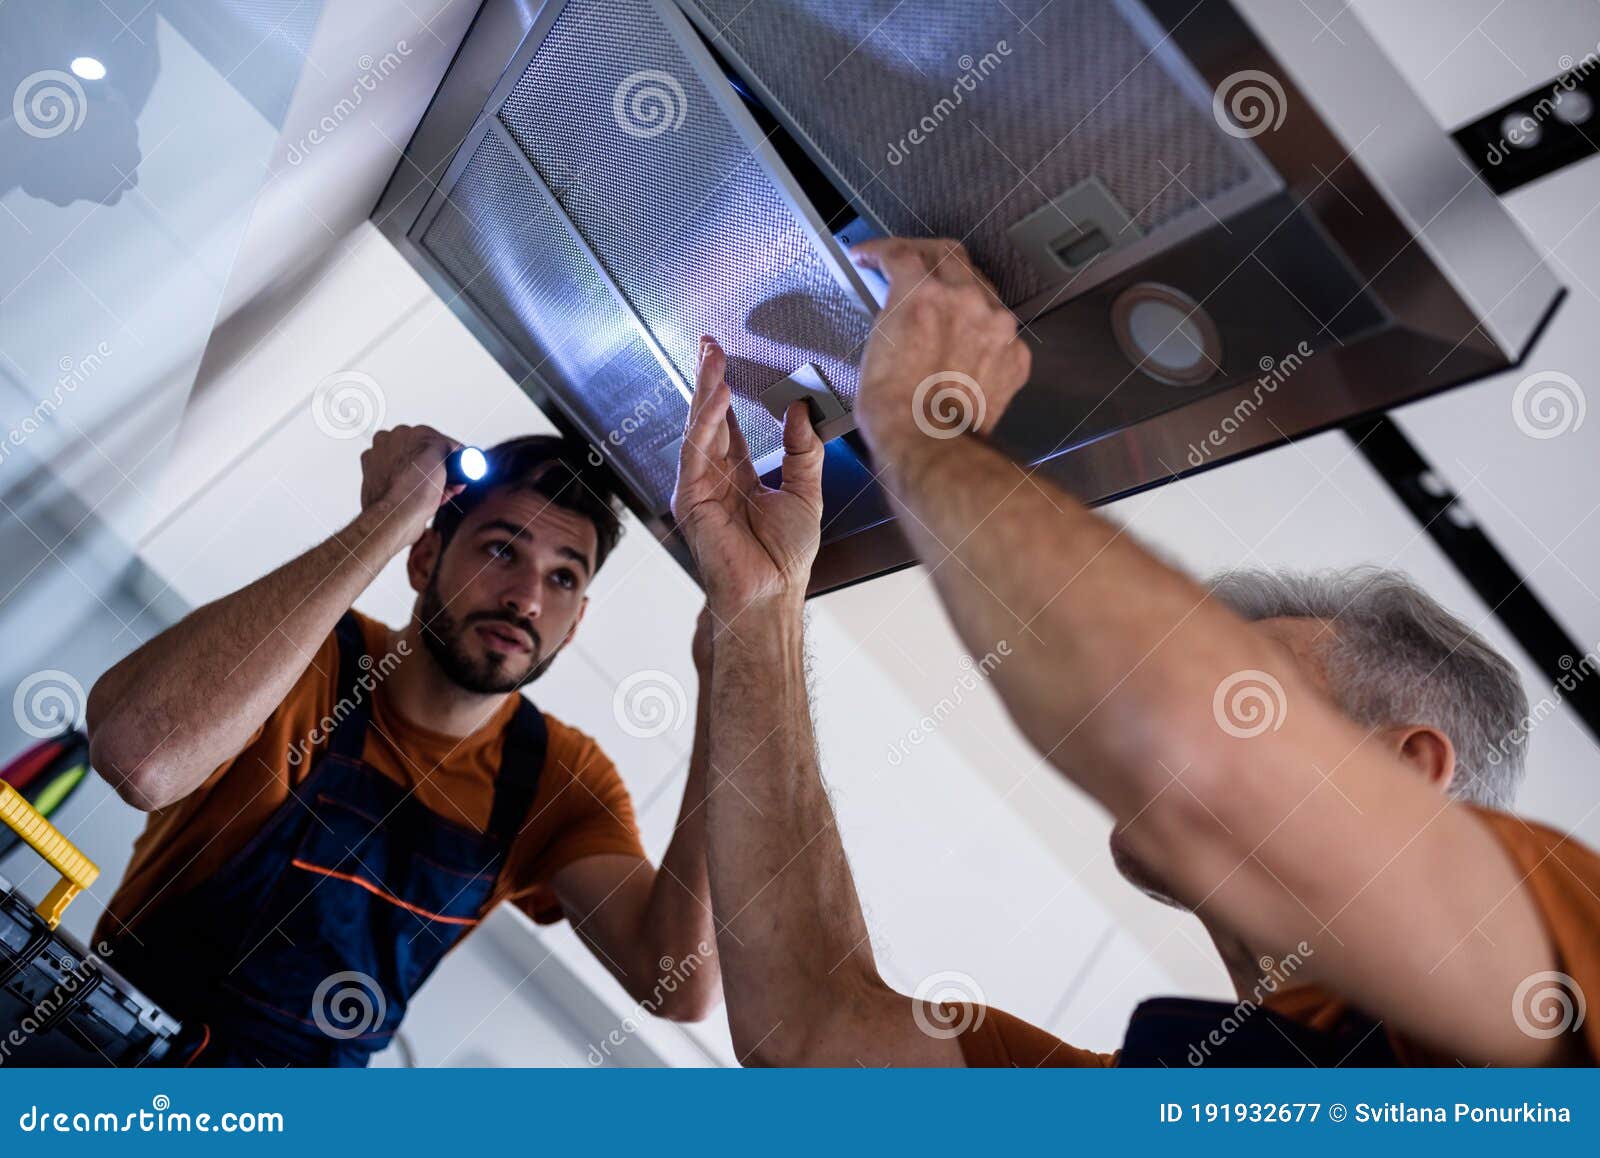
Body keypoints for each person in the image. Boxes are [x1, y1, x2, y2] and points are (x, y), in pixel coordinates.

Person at [671, 238, 1600, 1067]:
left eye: (1254, 693)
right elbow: (811, 1030)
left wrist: (918, 429)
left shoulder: (1550, 941)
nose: (1196, 700)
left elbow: (1195, 752)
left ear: (1408, 770)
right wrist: (760, 607)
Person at [87, 431, 718, 1065]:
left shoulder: (558, 779)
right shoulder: (300, 658)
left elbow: (681, 985)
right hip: (107, 1058)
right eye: (502, 549)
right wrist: (385, 518)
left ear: (575, 622)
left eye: (561, 577)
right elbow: (137, 757)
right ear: (423, 560)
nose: (526, 599)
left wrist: (731, 683)